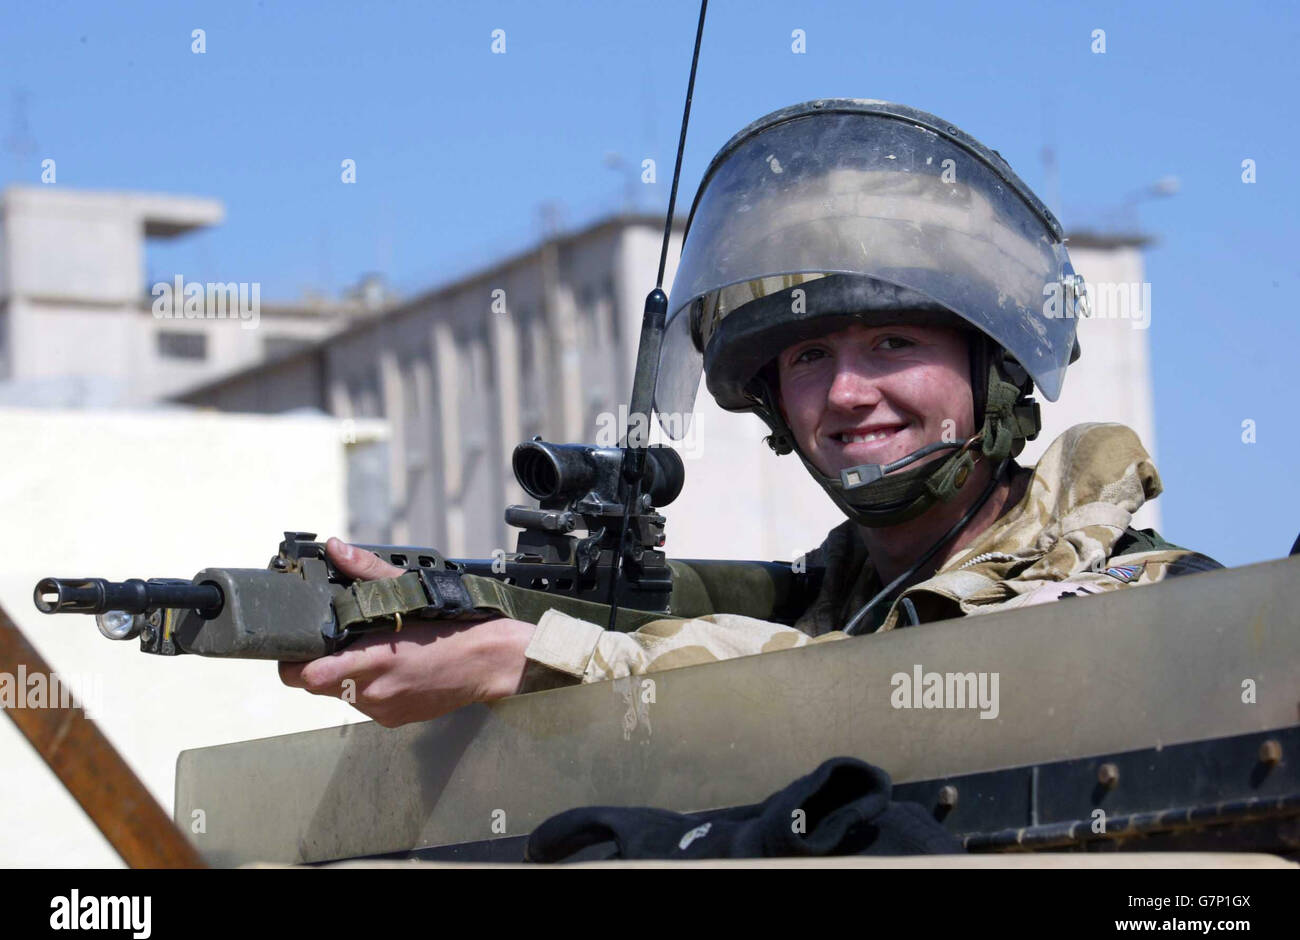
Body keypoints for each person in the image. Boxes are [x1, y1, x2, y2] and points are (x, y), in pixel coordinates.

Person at [280, 99, 1220, 727]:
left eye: (893, 343)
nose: (848, 393)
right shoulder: (807, 609)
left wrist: (540, 660)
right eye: (811, 356)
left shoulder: (1150, 600)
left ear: (998, 372)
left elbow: (902, 697)